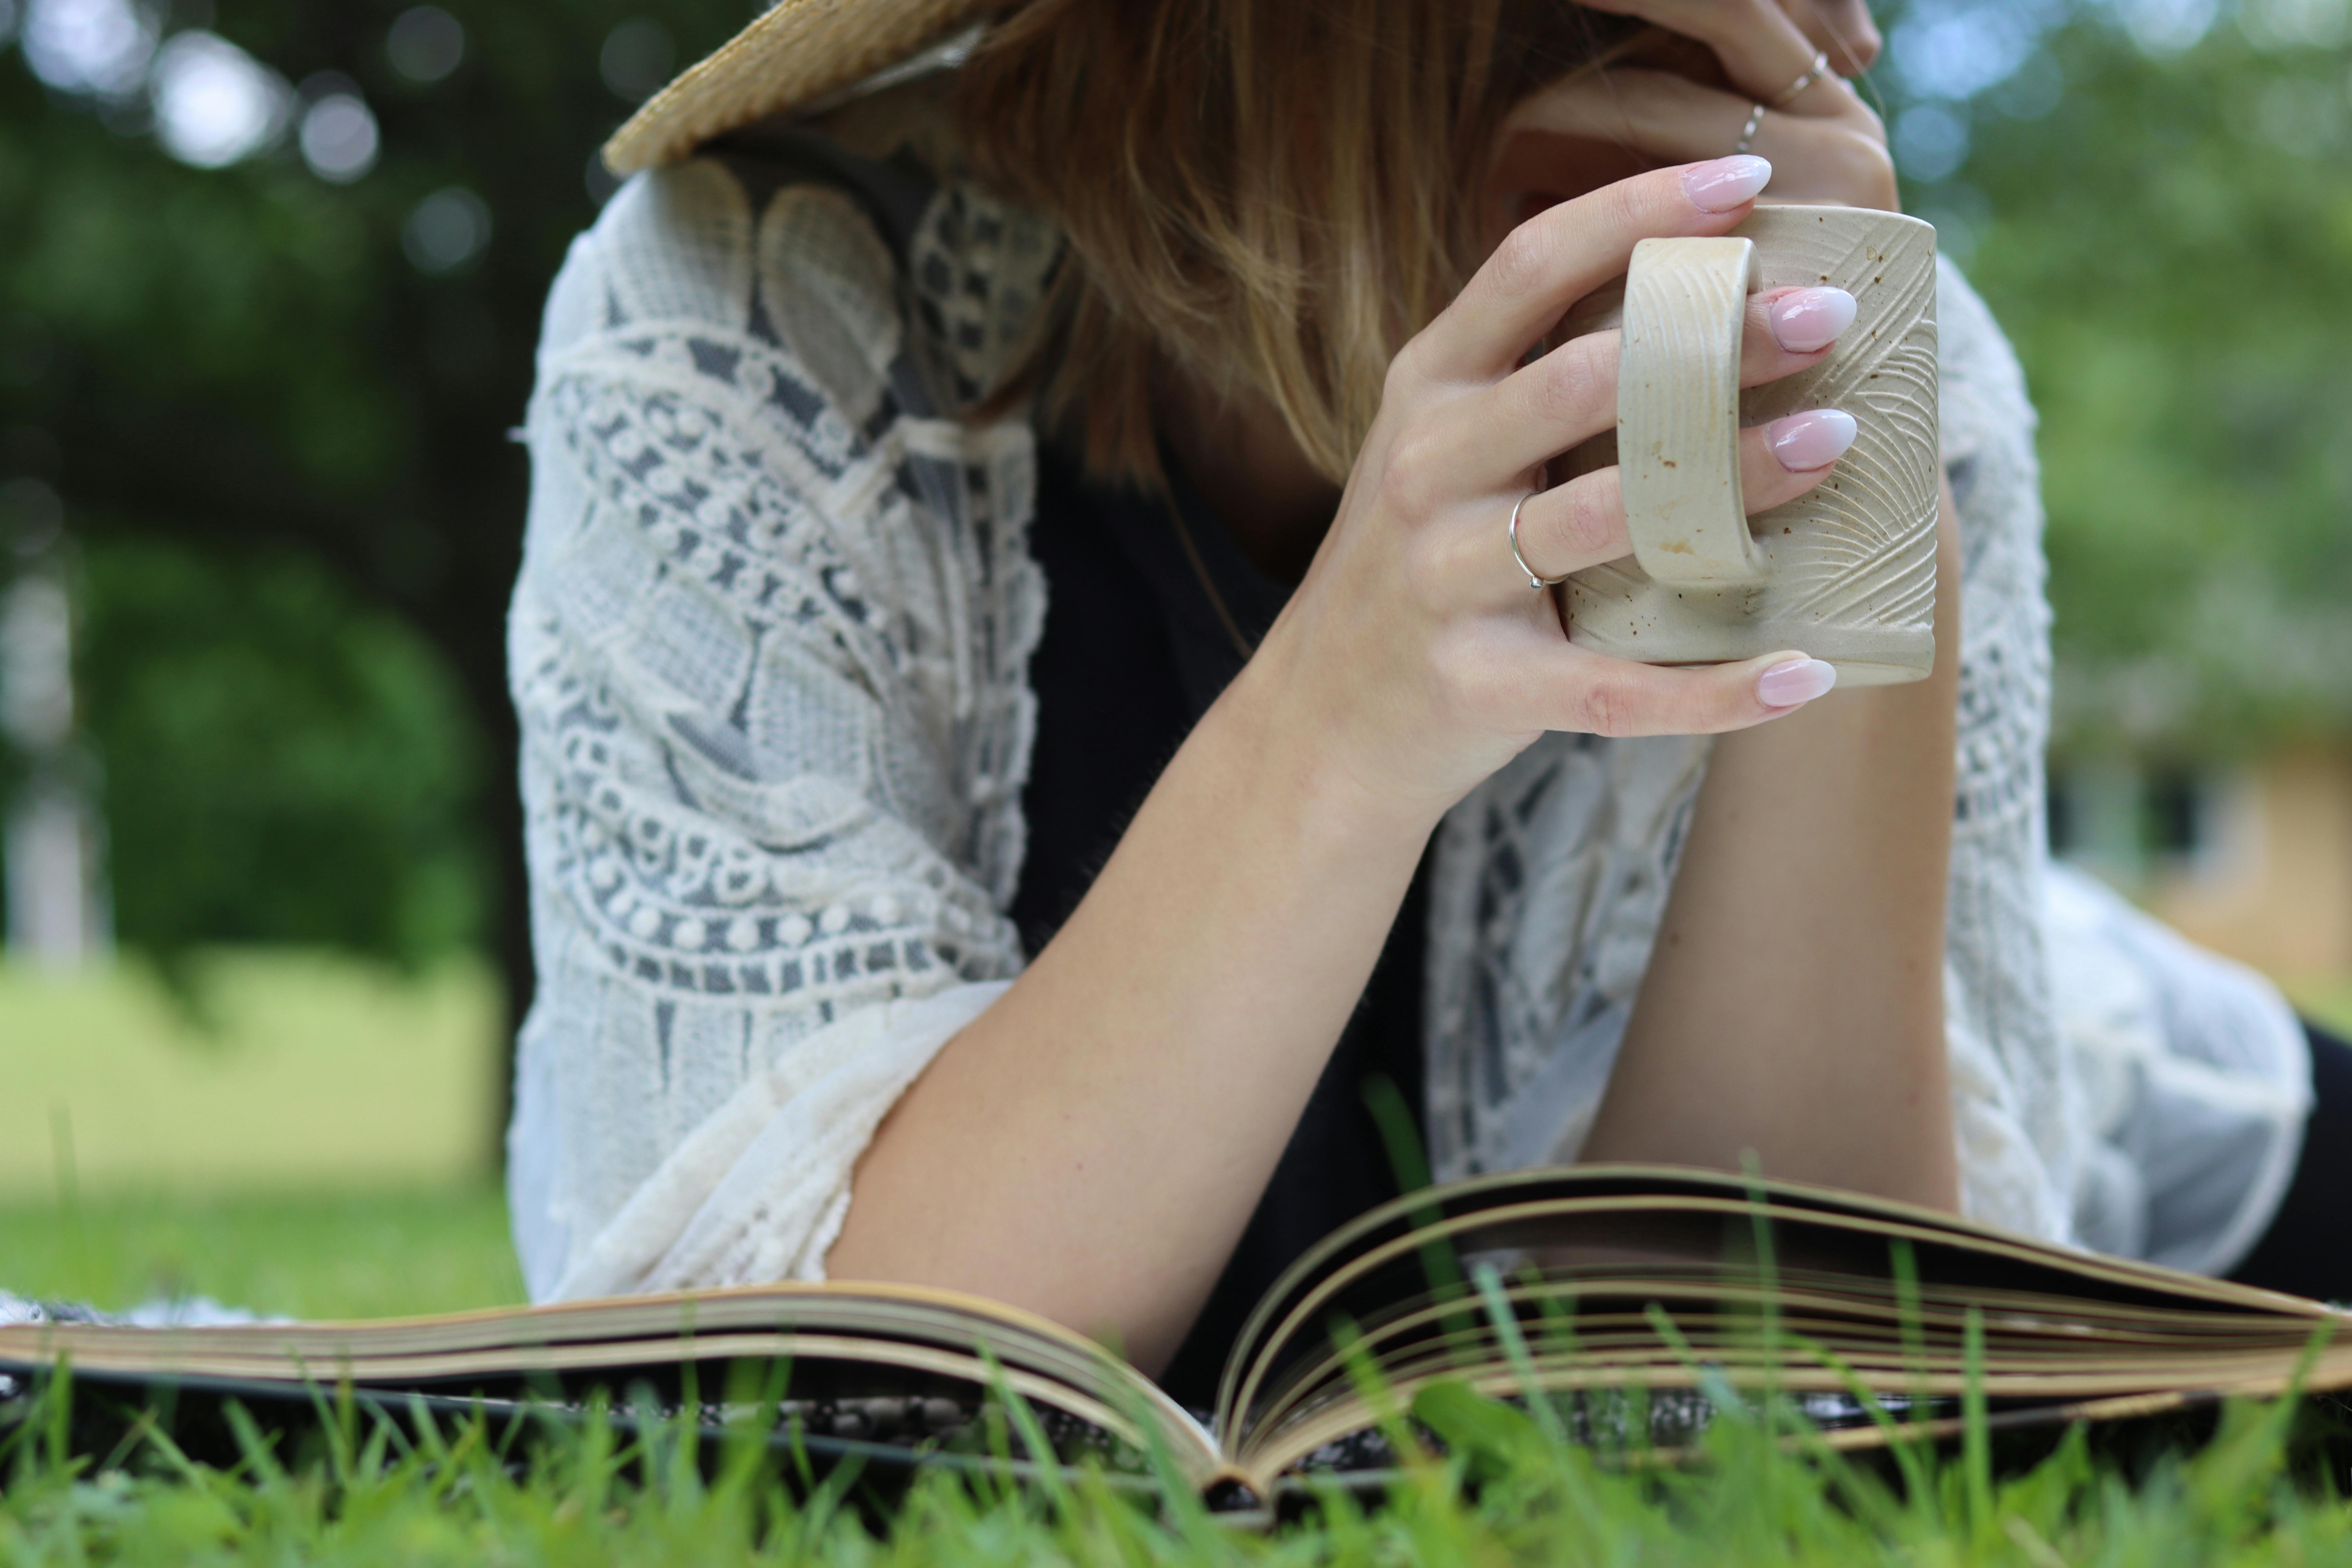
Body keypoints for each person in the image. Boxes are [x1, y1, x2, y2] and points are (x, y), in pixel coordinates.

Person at [504, 0, 2334, 1407]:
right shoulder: (758, 307)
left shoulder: (1840, 349)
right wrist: (1347, 715)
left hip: (2172, 1125)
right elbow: (800, 1378)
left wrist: (1849, 558)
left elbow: (1784, 1372)